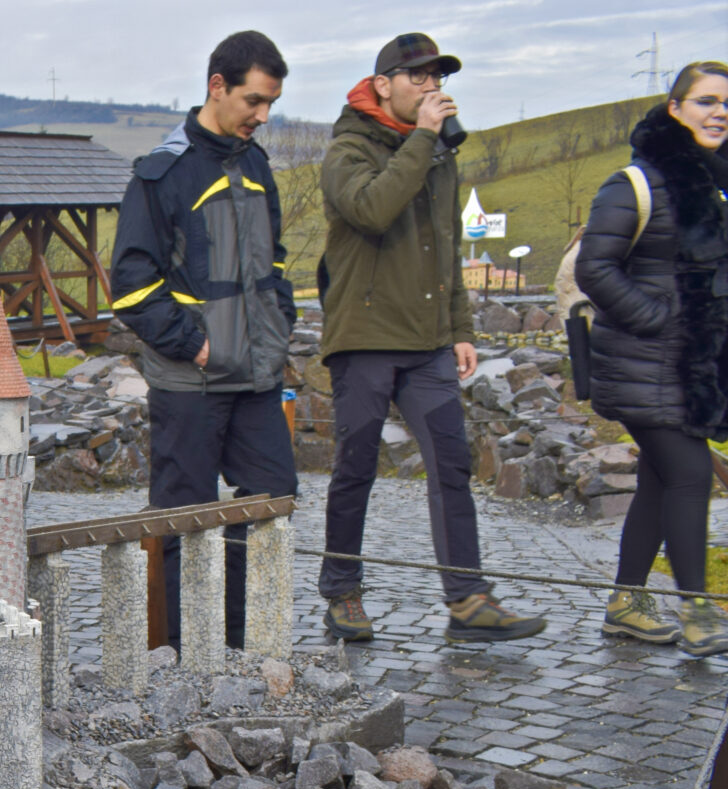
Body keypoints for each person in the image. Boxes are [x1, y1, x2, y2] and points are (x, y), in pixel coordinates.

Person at [315, 34, 545, 645]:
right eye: (418, 76)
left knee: (452, 462)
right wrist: (421, 136)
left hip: (428, 344)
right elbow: (373, 208)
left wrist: (461, 330)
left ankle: (467, 599)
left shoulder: (440, 154)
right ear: (383, 84)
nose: (432, 86)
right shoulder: (346, 148)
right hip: (364, 336)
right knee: (356, 465)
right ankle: (342, 592)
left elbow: (445, 248)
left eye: (438, 76)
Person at [111, 30, 299, 650]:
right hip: (189, 381)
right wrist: (196, 345)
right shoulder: (161, 173)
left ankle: (244, 646)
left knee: (271, 504)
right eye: (254, 101)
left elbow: (269, 264)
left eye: (270, 103)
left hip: (257, 378)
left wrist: (280, 320)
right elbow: (132, 284)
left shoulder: (256, 163)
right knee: (184, 519)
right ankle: (179, 657)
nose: (263, 116)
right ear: (217, 86)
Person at [576, 60, 728, 656]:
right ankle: (698, 611)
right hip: (645, 364)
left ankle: (625, 603)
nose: (719, 113)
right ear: (675, 109)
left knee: (660, 482)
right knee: (690, 475)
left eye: (727, 105)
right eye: (706, 101)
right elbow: (595, 267)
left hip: (692, 370)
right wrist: (659, 320)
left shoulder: (717, 186)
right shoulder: (635, 183)